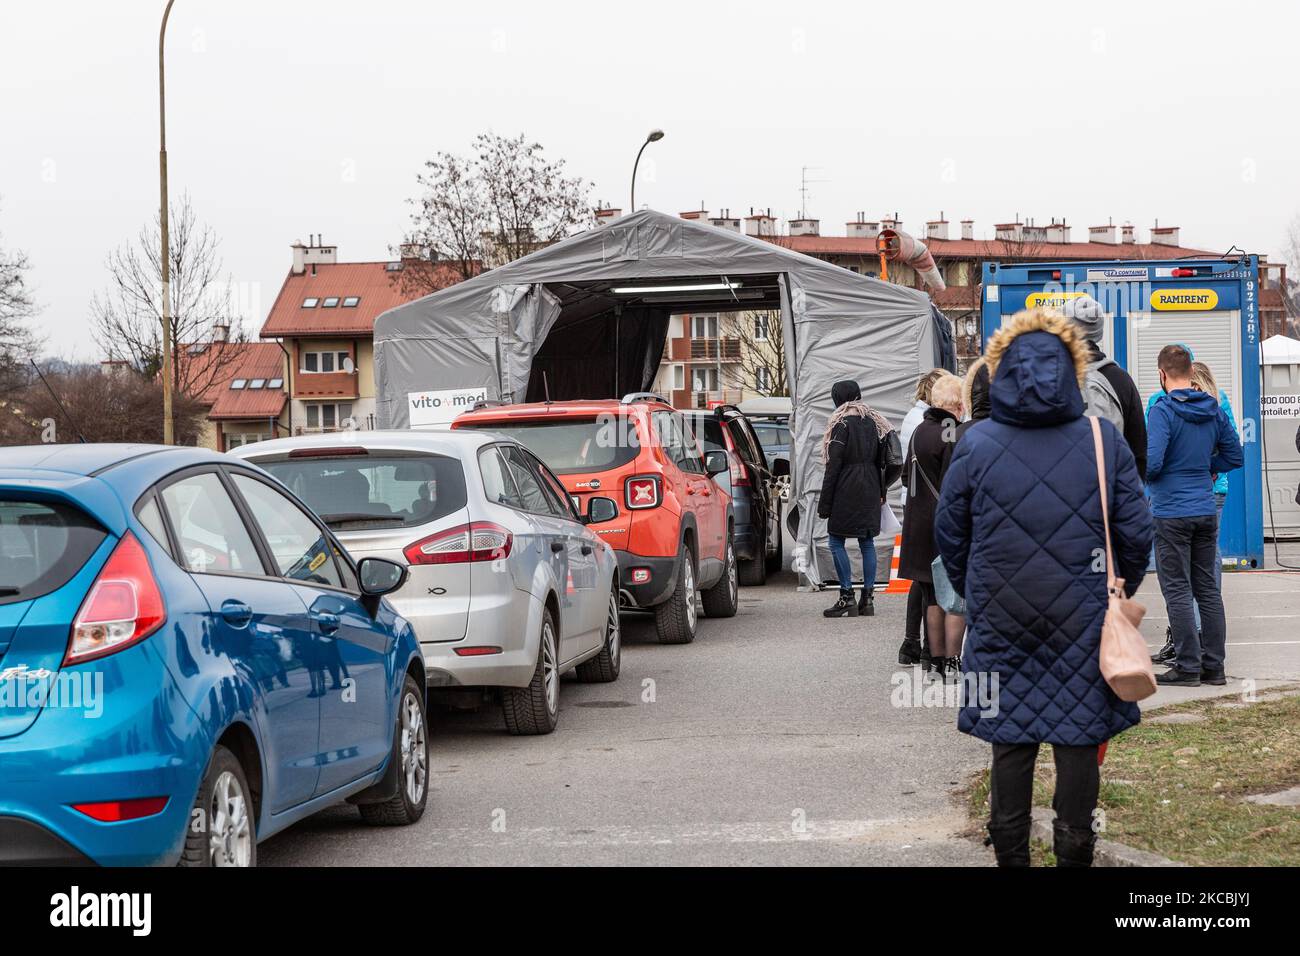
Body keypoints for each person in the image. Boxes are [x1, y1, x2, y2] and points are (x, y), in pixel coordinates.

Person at [935, 308, 1153, 867]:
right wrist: (1117, 585)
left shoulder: (976, 444)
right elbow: (1134, 530)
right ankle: (1074, 853)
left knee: (1010, 740)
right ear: (1074, 370)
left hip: (1001, 616)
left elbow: (950, 535)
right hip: (1083, 616)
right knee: (1079, 737)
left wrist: (976, 590)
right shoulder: (1102, 439)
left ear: (1000, 370)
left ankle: (1011, 856)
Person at [1147, 345, 1243, 686]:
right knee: (1207, 590)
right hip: (1204, 509)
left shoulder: (1162, 410)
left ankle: (1188, 667)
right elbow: (1235, 455)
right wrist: (1205, 468)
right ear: (1191, 372)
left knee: (1176, 589)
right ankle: (1214, 667)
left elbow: (1153, 463)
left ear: (1162, 374)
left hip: (1171, 512)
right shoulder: (1213, 409)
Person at [899, 373, 963, 677]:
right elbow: (954, 480)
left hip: (916, 521)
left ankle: (932, 660)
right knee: (947, 595)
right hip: (940, 522)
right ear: (957, 404)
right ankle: (948, 660)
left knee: (929, 593)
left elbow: (904, 476)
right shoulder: (949, 430)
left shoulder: (920, 429)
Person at [817, 380, 889, 618]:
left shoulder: (840, 424)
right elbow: (883, 461)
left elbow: (833, 465)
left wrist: (825, 502)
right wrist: (882, 491)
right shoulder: (873, 422)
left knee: (836, 541)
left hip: (846, 488)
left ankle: (846, 596)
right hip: (870, 486)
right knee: (866, 542)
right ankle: (867, 599)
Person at [1059, 295, 1148, 476]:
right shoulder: (1121, 380)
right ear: (1098, 332)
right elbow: (1138, 452)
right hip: (1109, 492)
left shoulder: (1051, 376)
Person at [898, 368, 947, 665]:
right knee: (932, 578)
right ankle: (931, 648)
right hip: (929, 505)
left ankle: (911, 643)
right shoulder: (929, 423)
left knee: (922, 578)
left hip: (916, 503)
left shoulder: (913, 419)